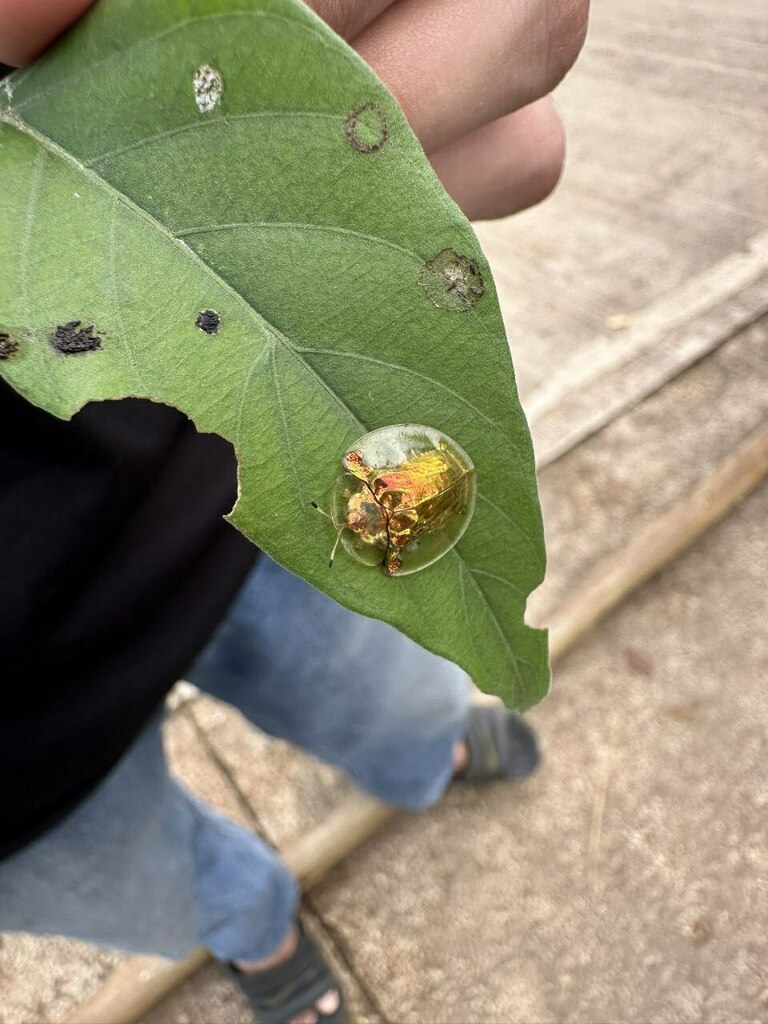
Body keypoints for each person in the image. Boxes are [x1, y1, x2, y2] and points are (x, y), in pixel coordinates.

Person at [0, 1, 588, 1021]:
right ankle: (256, 930)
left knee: (383, 693)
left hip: (206, 506)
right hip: (17, 758)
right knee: (152, 880)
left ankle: (425, 753)